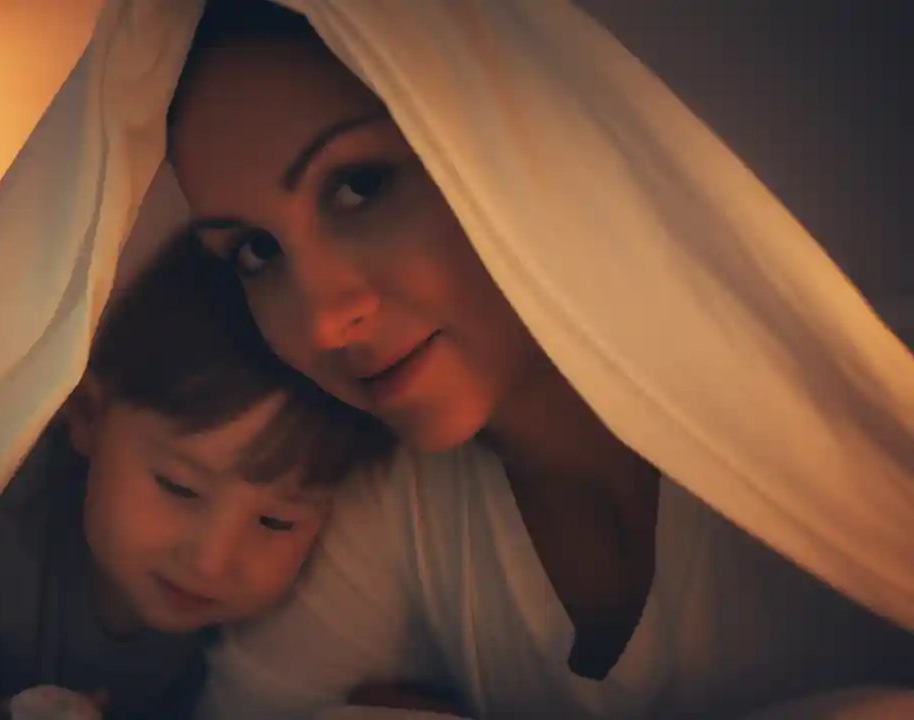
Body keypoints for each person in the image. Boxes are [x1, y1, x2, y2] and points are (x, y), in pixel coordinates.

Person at [160, 2, 914, 718]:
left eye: (361, 185)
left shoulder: (858, 395)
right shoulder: (395, 513)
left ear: (511, 150)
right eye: (254, 252)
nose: (323, 321)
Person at [0, 238, 395, 720]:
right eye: (180, 488)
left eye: (276, 520)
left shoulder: (294, 624)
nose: (213, 560)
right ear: (87, 416)